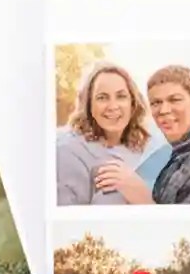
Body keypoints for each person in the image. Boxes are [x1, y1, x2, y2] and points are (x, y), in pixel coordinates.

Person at [94, 65, 190, 205]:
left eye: (174, 100)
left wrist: (140, 195)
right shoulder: (175, 152)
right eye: (156, 103)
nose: (163, 110)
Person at [55, 61, 166, 205]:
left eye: (121, 96)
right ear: (89, 105)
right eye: (102, 97)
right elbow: (69, 221)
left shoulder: (150, 145)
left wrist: (141, 194)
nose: (113, 106)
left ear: (133, 103)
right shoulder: (69, 150)